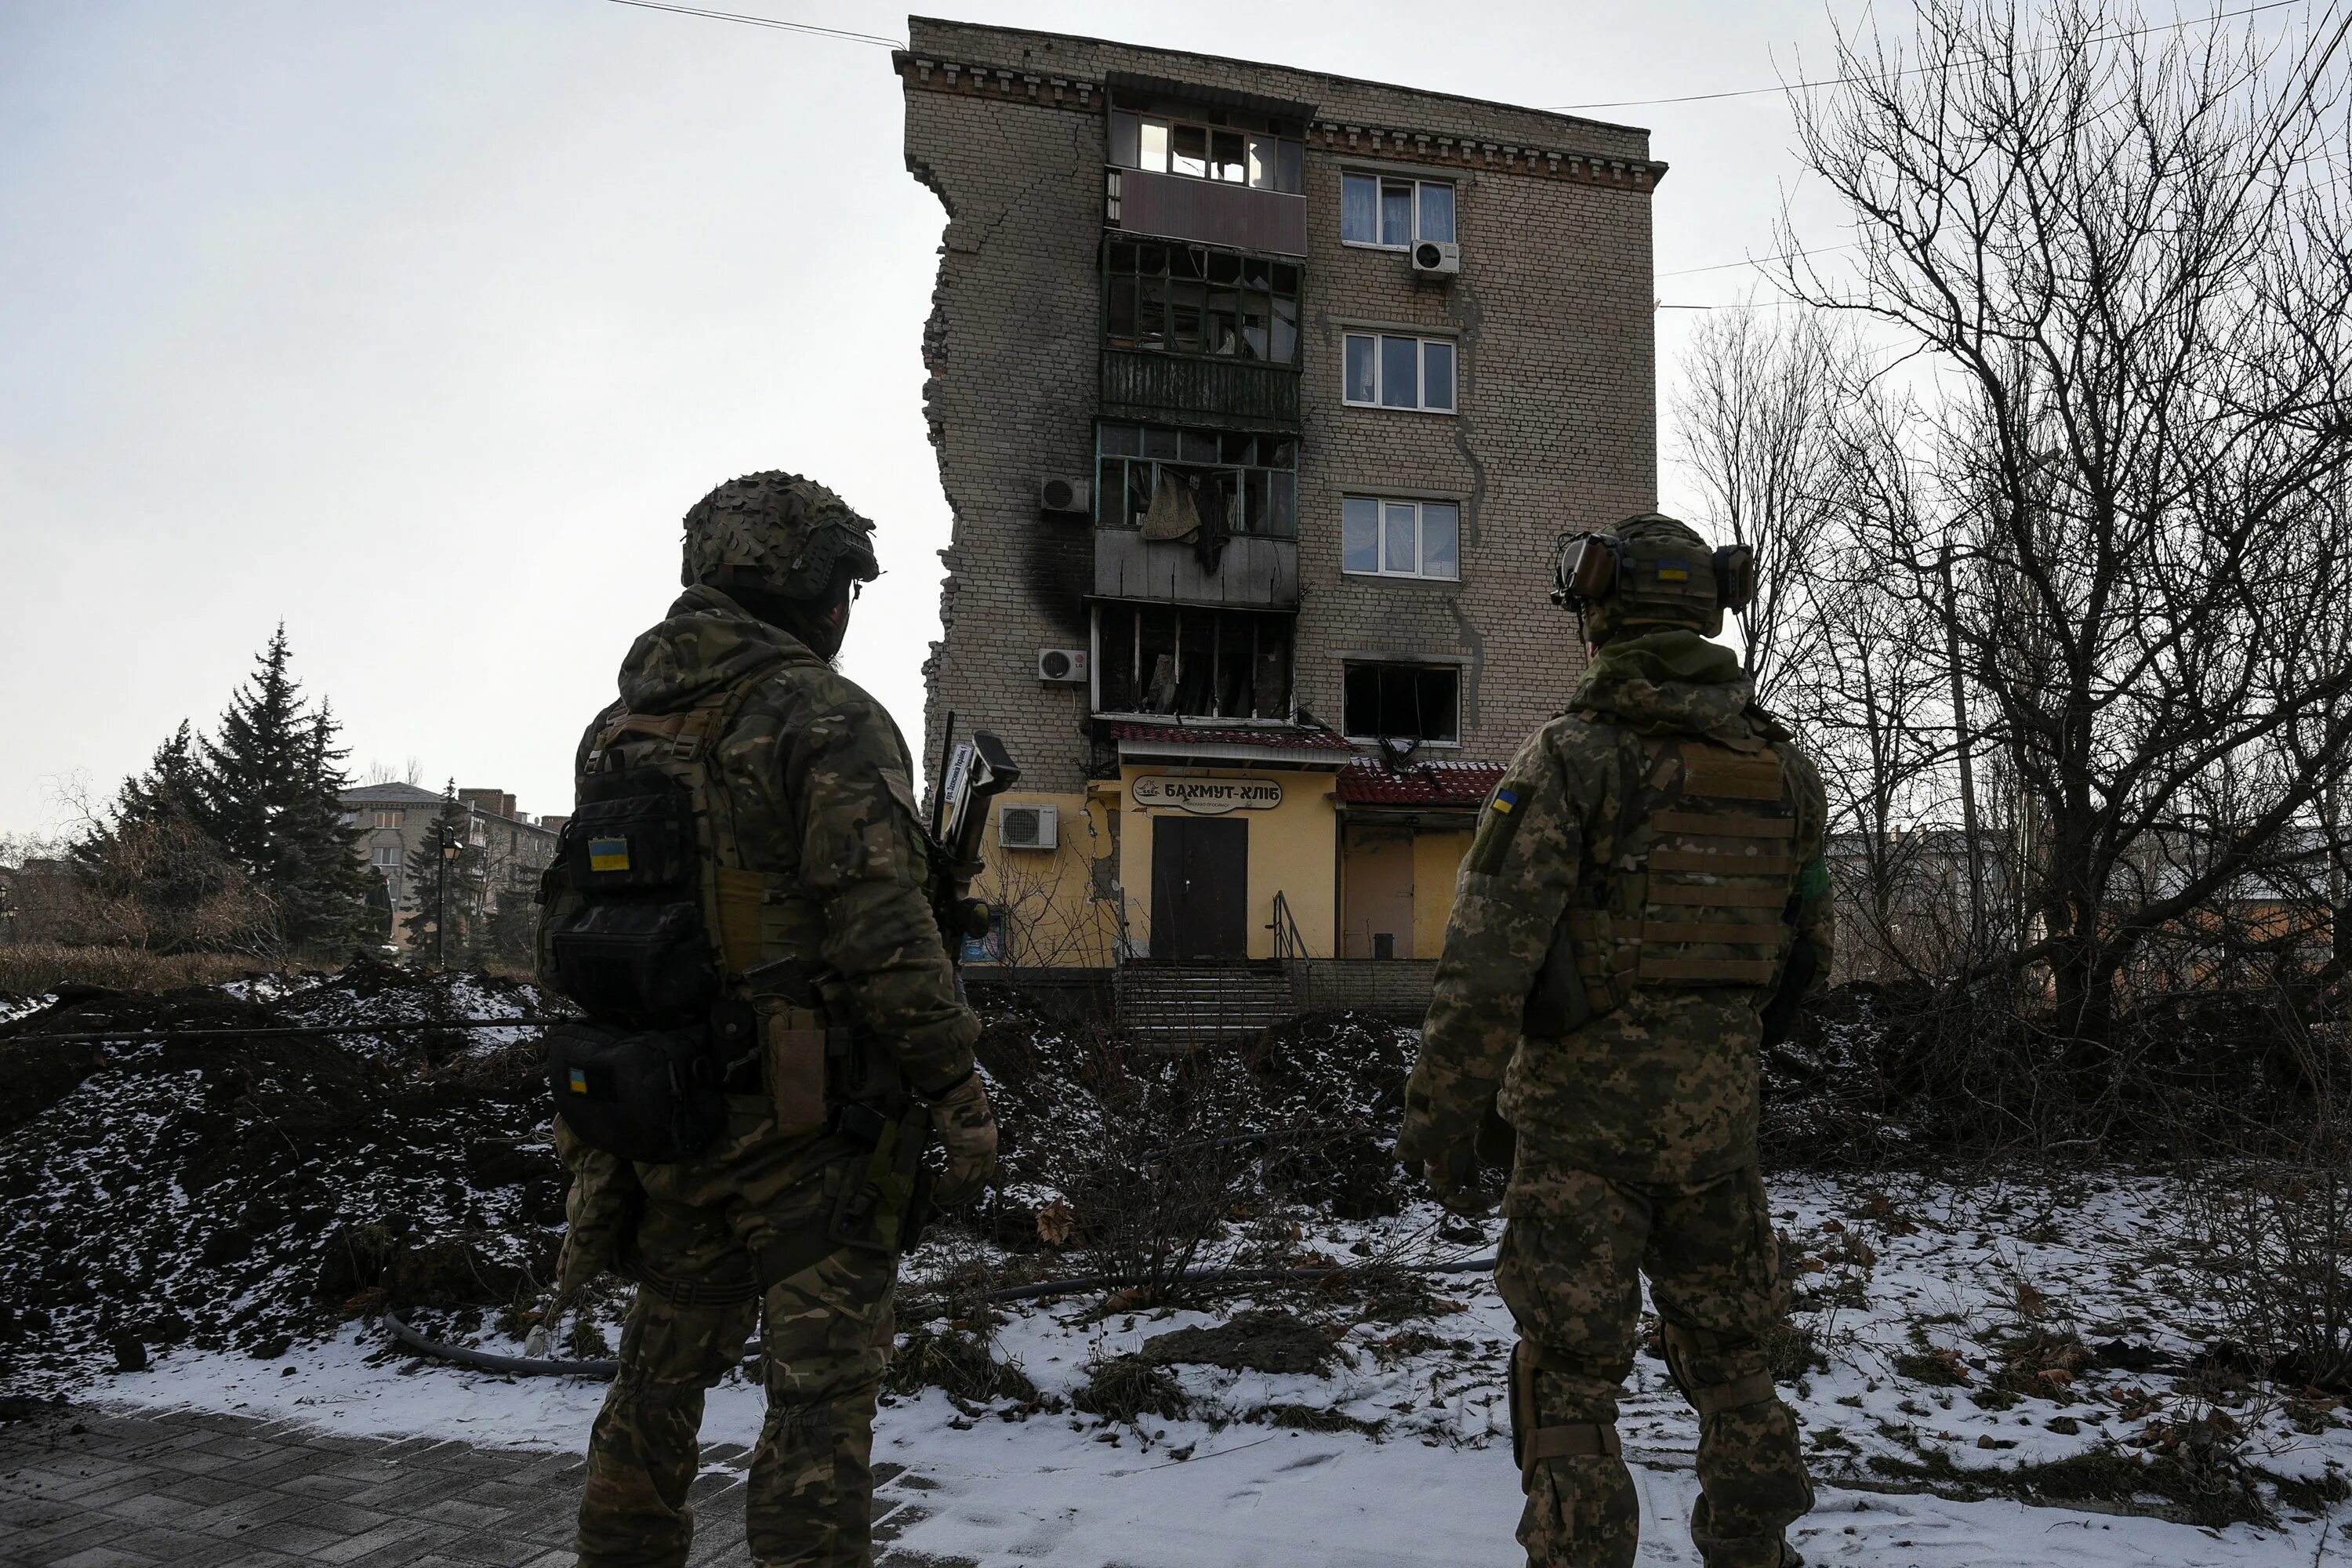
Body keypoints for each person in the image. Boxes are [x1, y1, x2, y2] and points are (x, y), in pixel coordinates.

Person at [539, 471, 998, 1568]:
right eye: (843, 585)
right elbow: (883, 935)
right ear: (808, 588)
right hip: (810, 1136)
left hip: (669, 1113)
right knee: (816, 1412)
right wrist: (958, 1091)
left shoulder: (618, 730)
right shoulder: (824, 718)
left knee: (654, 1378)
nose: (845, 613)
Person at [1398, 514, 1832, 1568]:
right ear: (1706, 616)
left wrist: (1441, 1123)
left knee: (1572, 1380)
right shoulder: (1784, 771)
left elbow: (1486, 961)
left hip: (1579, 1138)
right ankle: (1755, 1550)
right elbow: (1806, 964)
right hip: (1717, 1135)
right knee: (1736, 1359)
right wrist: (1713, 1056)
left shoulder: (1573, 760)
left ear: (1602, 616)